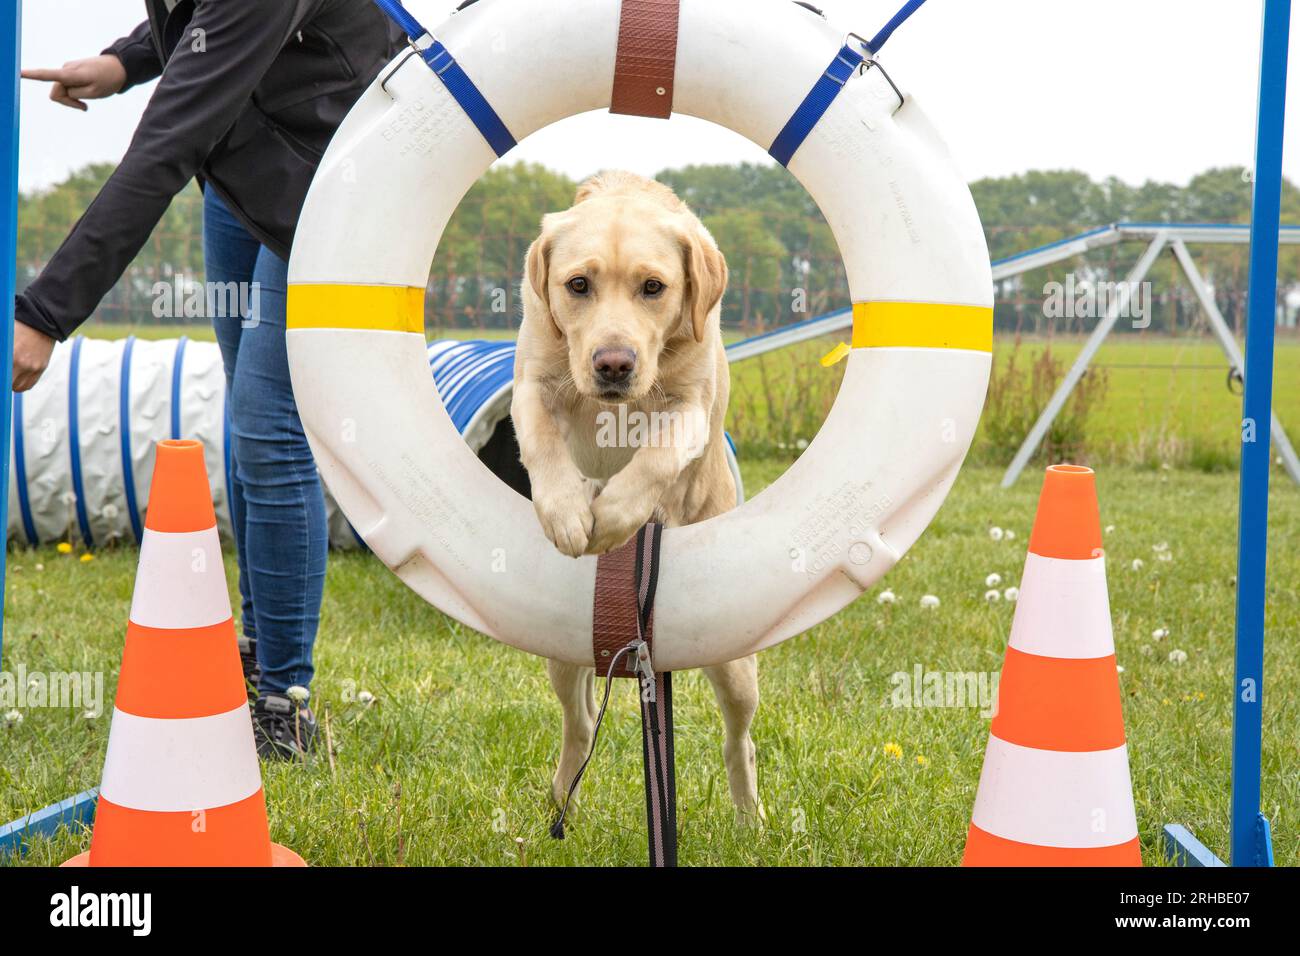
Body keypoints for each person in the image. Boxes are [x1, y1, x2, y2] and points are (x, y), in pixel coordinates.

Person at [16, 0, 403, 758]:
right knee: (246, 419)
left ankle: (285, 709)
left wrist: (46, 311)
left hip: (345, 177)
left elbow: (164, 145)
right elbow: (202, 20)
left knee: (269, 426)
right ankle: (256, 660)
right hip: (247, 170)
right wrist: (127, 60)